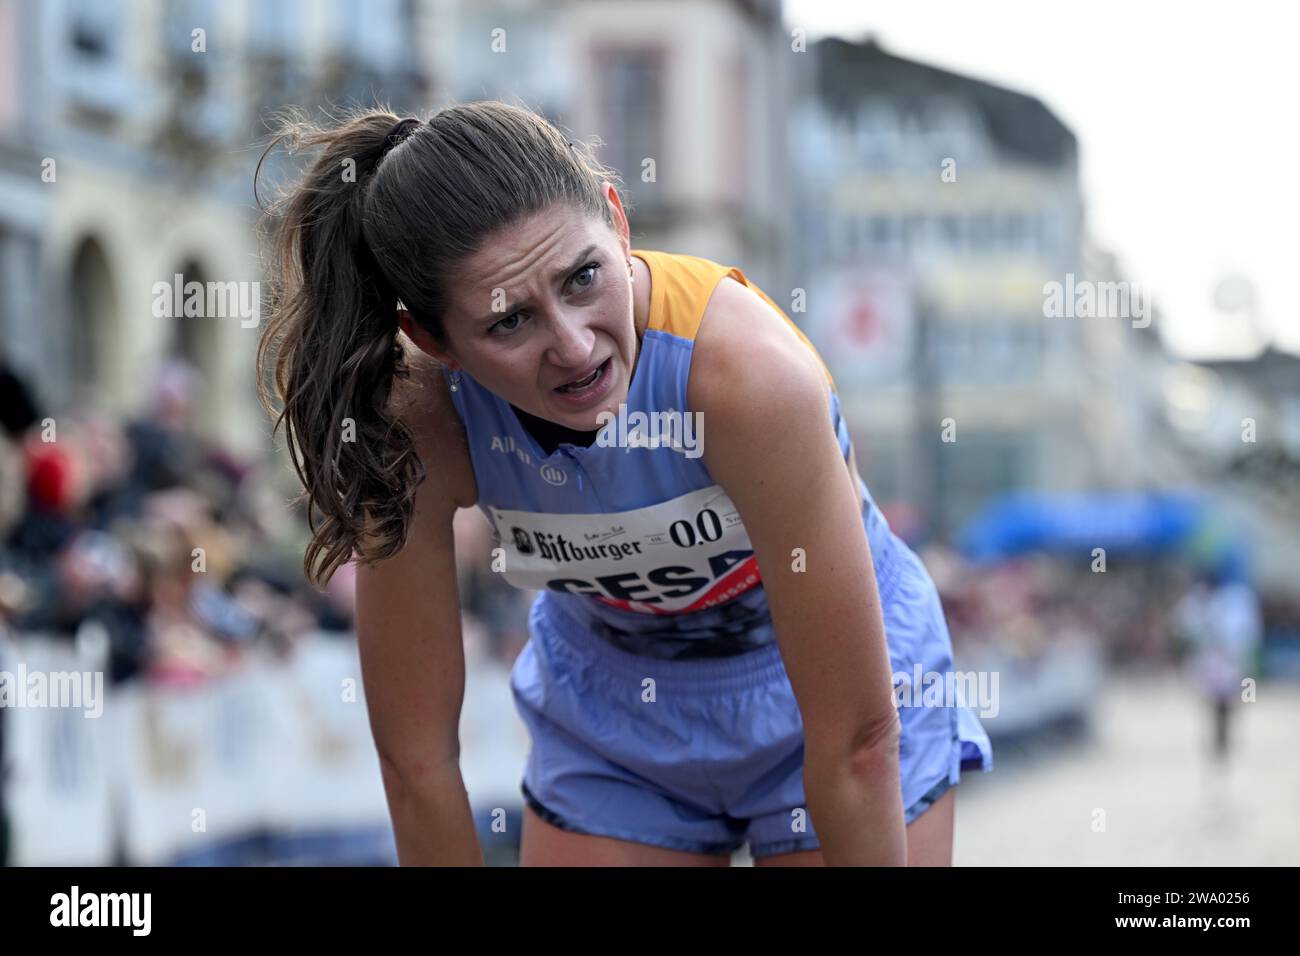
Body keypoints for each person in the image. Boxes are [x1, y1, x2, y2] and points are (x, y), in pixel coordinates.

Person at [255, 101, 992, 866]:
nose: (574, 348)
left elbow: (857, 744)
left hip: (829, 702)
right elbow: (417, 763)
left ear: (618, 219)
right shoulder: (420, 421)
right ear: (433, 342)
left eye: (582, 278)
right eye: (510, 323)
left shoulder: (748, 382)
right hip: (614, 710)